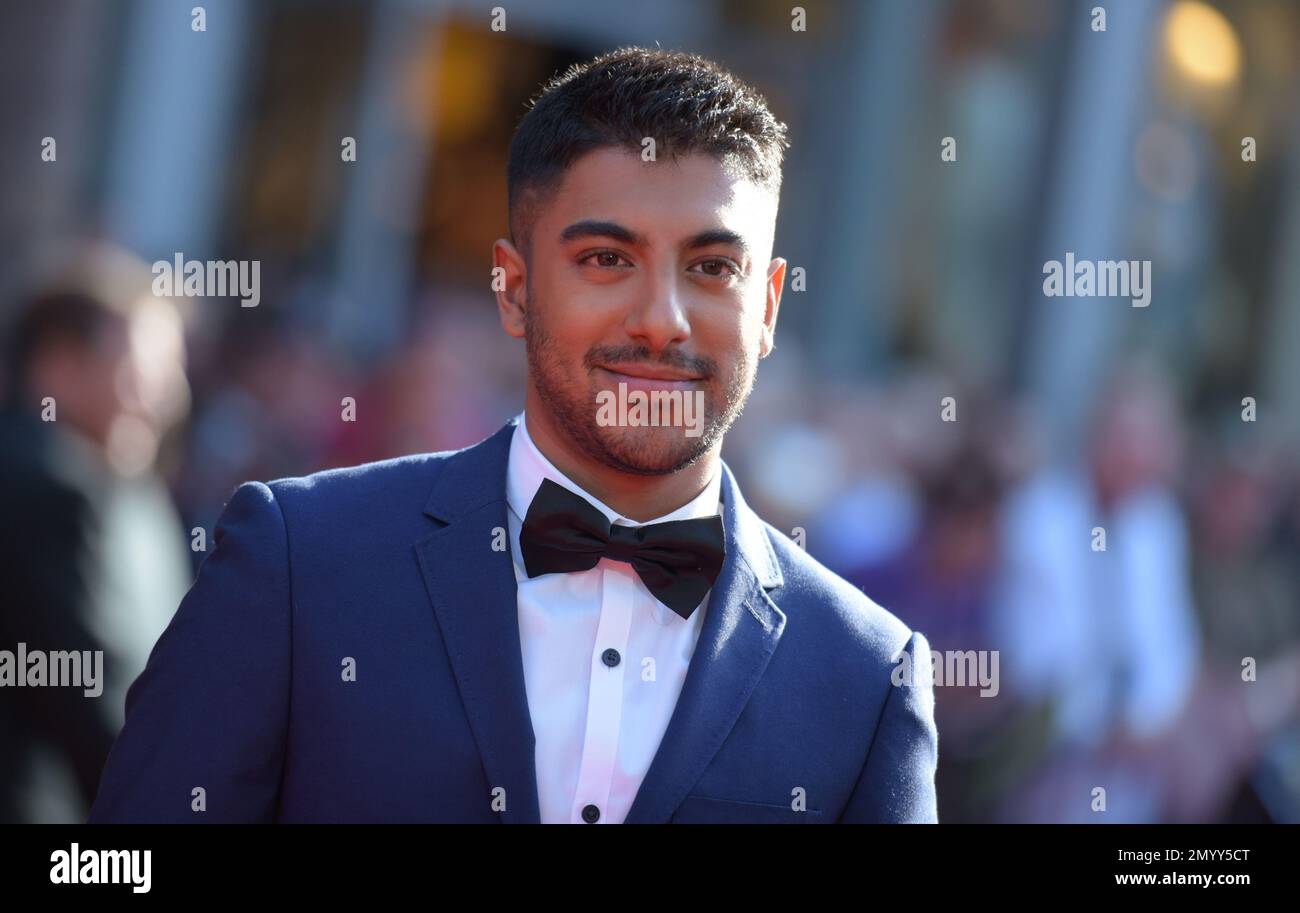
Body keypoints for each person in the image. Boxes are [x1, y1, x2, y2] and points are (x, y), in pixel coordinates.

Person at [89, 47, 938, 824]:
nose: (661, 321)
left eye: (713, 268)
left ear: (769, 306)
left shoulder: (866, 677)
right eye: (607, 258)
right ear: (513, 287)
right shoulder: (299, 563)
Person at [0, 242, 192, 822]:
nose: (165, 399)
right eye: (142, 372)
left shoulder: (121, 491)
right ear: (58, 367)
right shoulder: (50, 489)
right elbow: (99, 710)